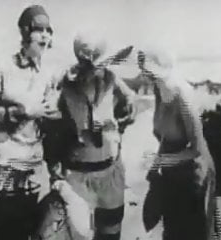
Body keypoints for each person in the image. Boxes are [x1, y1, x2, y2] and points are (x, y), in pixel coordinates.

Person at [0, 5, 61, 240]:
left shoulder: (49, 74)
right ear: (25, 32)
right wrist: (21, 111)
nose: (45, 35)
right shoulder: (2, 67)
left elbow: (49, 125)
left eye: (49, 30)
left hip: (33, 167)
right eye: (39, 30)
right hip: (5, 164)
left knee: (24, 233)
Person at [44, 34, 136, 240]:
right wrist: (53, 170)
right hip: (77, 175)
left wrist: (127, 115)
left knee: (110, 233)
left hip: (110, 172)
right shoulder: (64, 84)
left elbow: (130, 100)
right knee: (79, 234)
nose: (106, 66)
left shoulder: (111, 79)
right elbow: (48, 126)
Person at [139, 48, 218, 240]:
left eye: (148, 72)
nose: (144, 76)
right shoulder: (159, 90)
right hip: (171, 174)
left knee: (190, 233)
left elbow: (197, 149)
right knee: (171, 232)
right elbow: (165, 138)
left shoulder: (182, 96)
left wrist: (163, 160)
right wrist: (156, 165)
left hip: (193, 176)